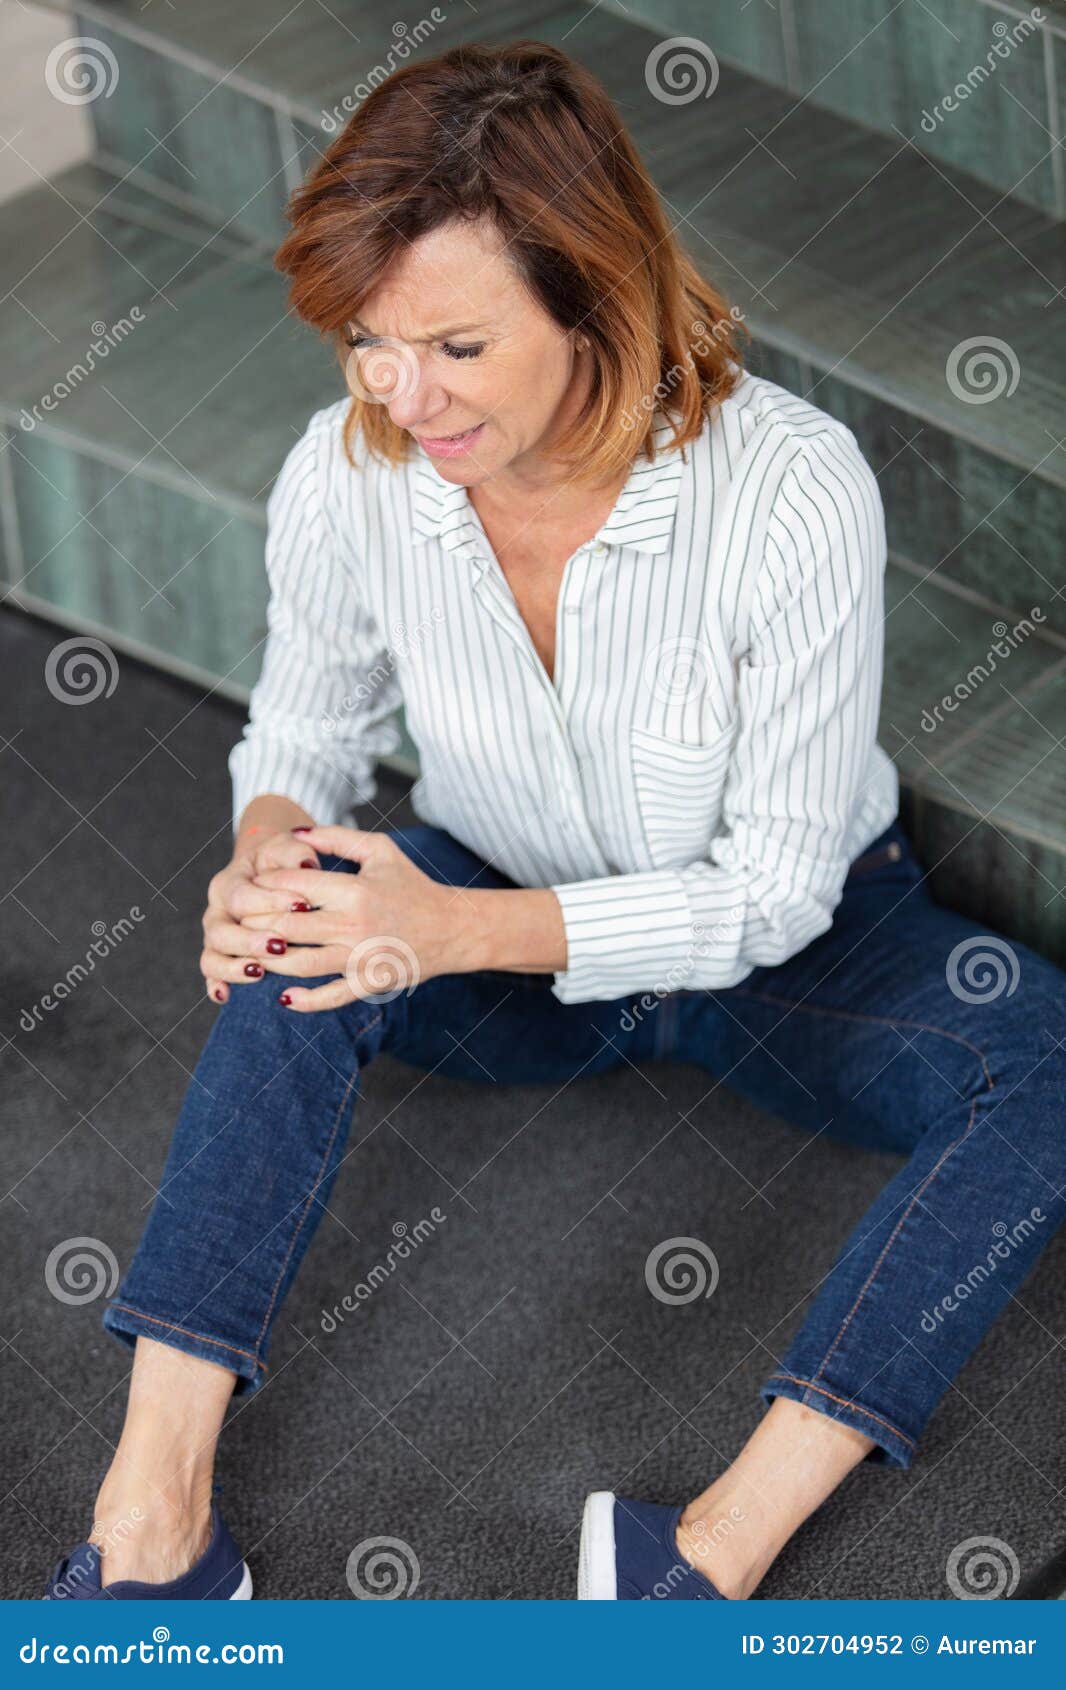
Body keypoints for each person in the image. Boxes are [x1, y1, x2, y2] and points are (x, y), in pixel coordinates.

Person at [45, 40, 1065, 1602]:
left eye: (453, 344)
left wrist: (446, 926)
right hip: (498, 931)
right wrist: (264, 853)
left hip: (775, 953)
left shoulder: (791, 493)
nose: (403, 395)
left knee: (1040, 1057)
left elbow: (778, 887)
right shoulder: (352, 465)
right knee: (305, 908)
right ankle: (154, 1532)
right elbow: (309, 723)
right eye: (369, 345)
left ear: (595, 300)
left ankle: (700, 1555)